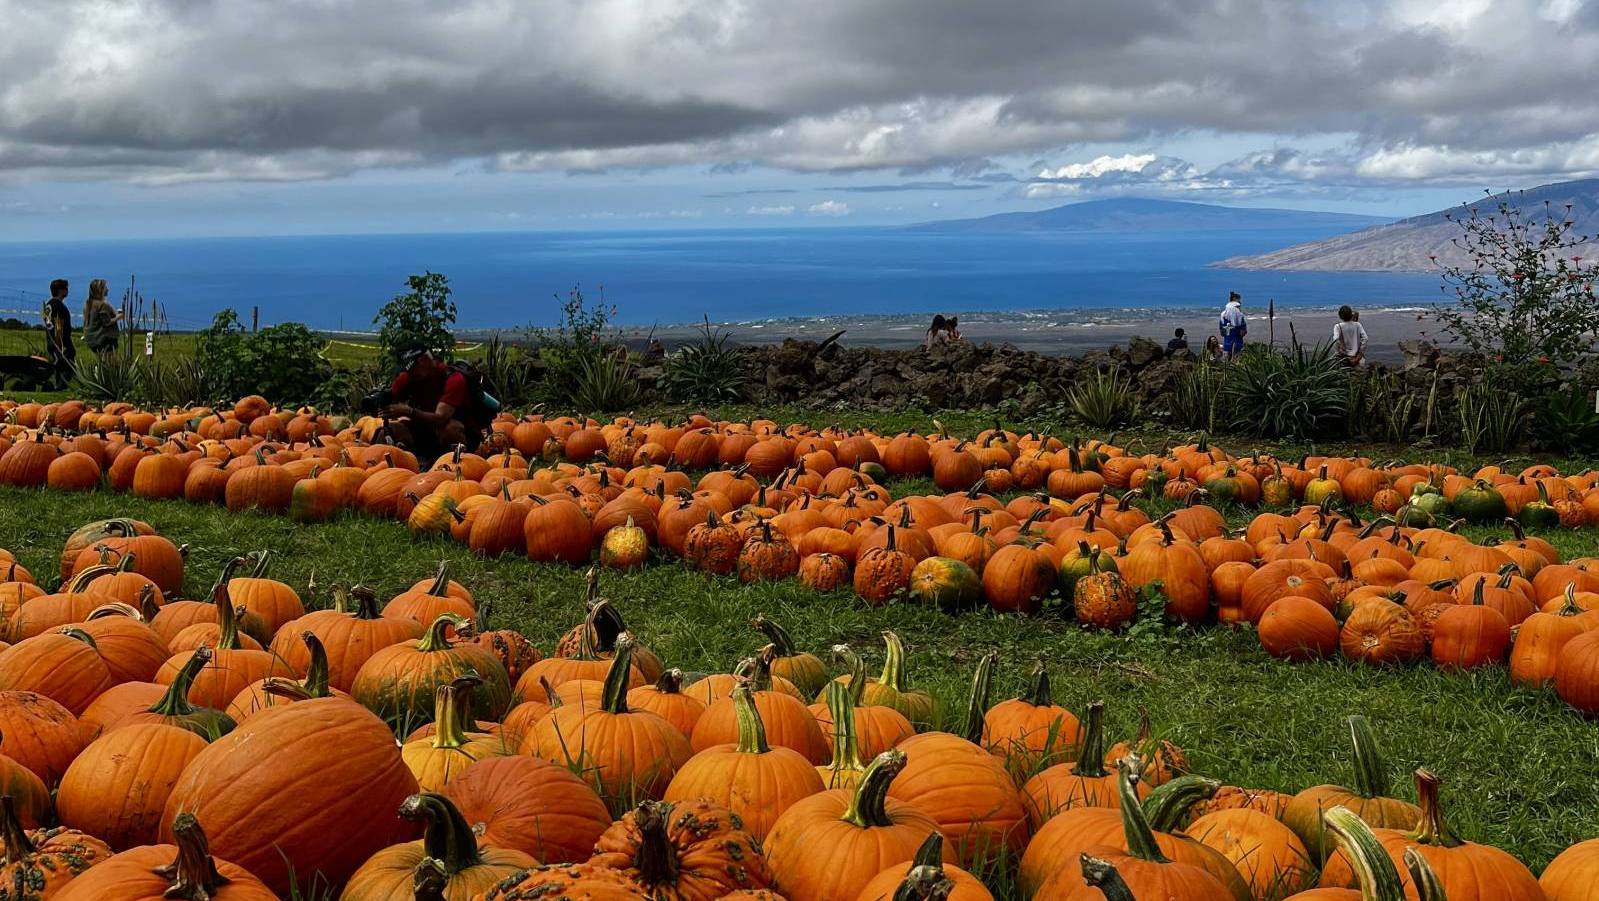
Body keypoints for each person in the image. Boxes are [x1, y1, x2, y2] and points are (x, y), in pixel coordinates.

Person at [380, 348, 493, 461]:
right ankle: (409, 463)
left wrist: (408, 411)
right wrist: (380, 404)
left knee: (450, 429)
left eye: (412, 369)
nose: (410, 374)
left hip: (462, 433)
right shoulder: (409, 377)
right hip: (427, 431)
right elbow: (390, 396)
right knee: (388, 430)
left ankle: (454, 463)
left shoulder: (454, 379)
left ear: (425, 361)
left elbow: (441, 418)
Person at [41, 279, 76, 388]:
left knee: (59, 366)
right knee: (67, 366)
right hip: (61, 342)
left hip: (50, 341)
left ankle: (58, 384)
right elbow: (59, 326)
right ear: (61, 290)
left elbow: (46, 321)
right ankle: (60, 387)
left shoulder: (48, 306)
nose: (67, 290)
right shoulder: (59, 306)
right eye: (66, 288)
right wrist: (62, 345)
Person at [82, 279, 122, 357]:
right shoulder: (102, 305)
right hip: (105, 340)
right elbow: (107, 322)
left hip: (92, 340)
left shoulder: (88, 304)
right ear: (100, 290)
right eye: (105, 287)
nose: (107, 289)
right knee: (110, 364)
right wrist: (119, 317)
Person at [1218, 292, 1246, 360]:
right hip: (1238, 346)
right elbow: (1242, 333)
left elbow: (1222, 333)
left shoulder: (1222, 317)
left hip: (1226, 346)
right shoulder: (1240, 318)